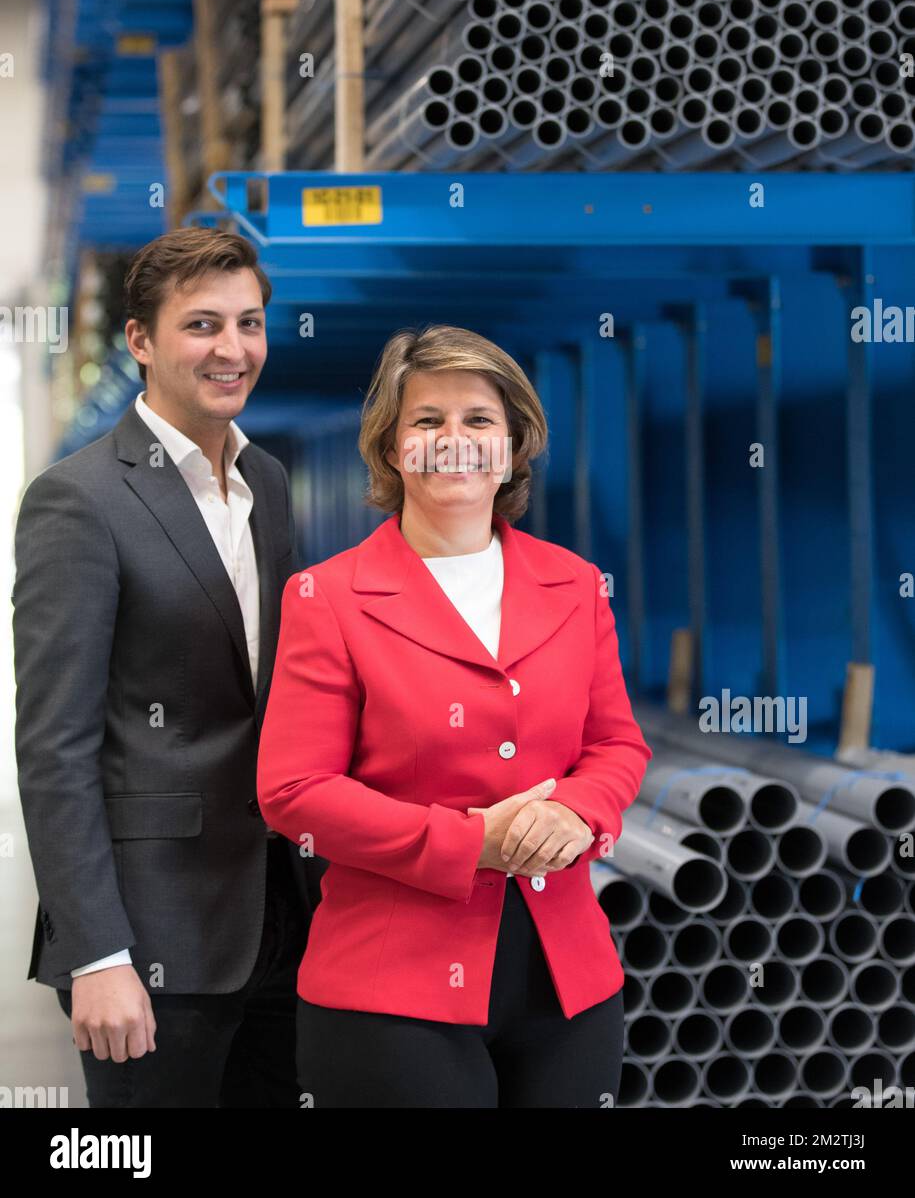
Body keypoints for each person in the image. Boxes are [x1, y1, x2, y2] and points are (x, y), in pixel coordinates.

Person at [257, 323, 653, 1108]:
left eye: (478, 421)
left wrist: (580, 809)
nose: (454, 440)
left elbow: (615, 742)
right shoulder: (329, 597)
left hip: (566, 982)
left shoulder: (573, 585)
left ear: (510, 447)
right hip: (392, 992)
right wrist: (471, 843)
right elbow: (293, 789)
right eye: (427, 420)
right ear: (391, 447)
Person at [13, 226, 324, 1108]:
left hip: (279, 919)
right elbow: (55, 748)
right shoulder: (79, 501)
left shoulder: (266, 481)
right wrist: (98, 955)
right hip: (151, 939)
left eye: (250, 323)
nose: (233, 349)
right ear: (141, 341)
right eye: (201, 326)